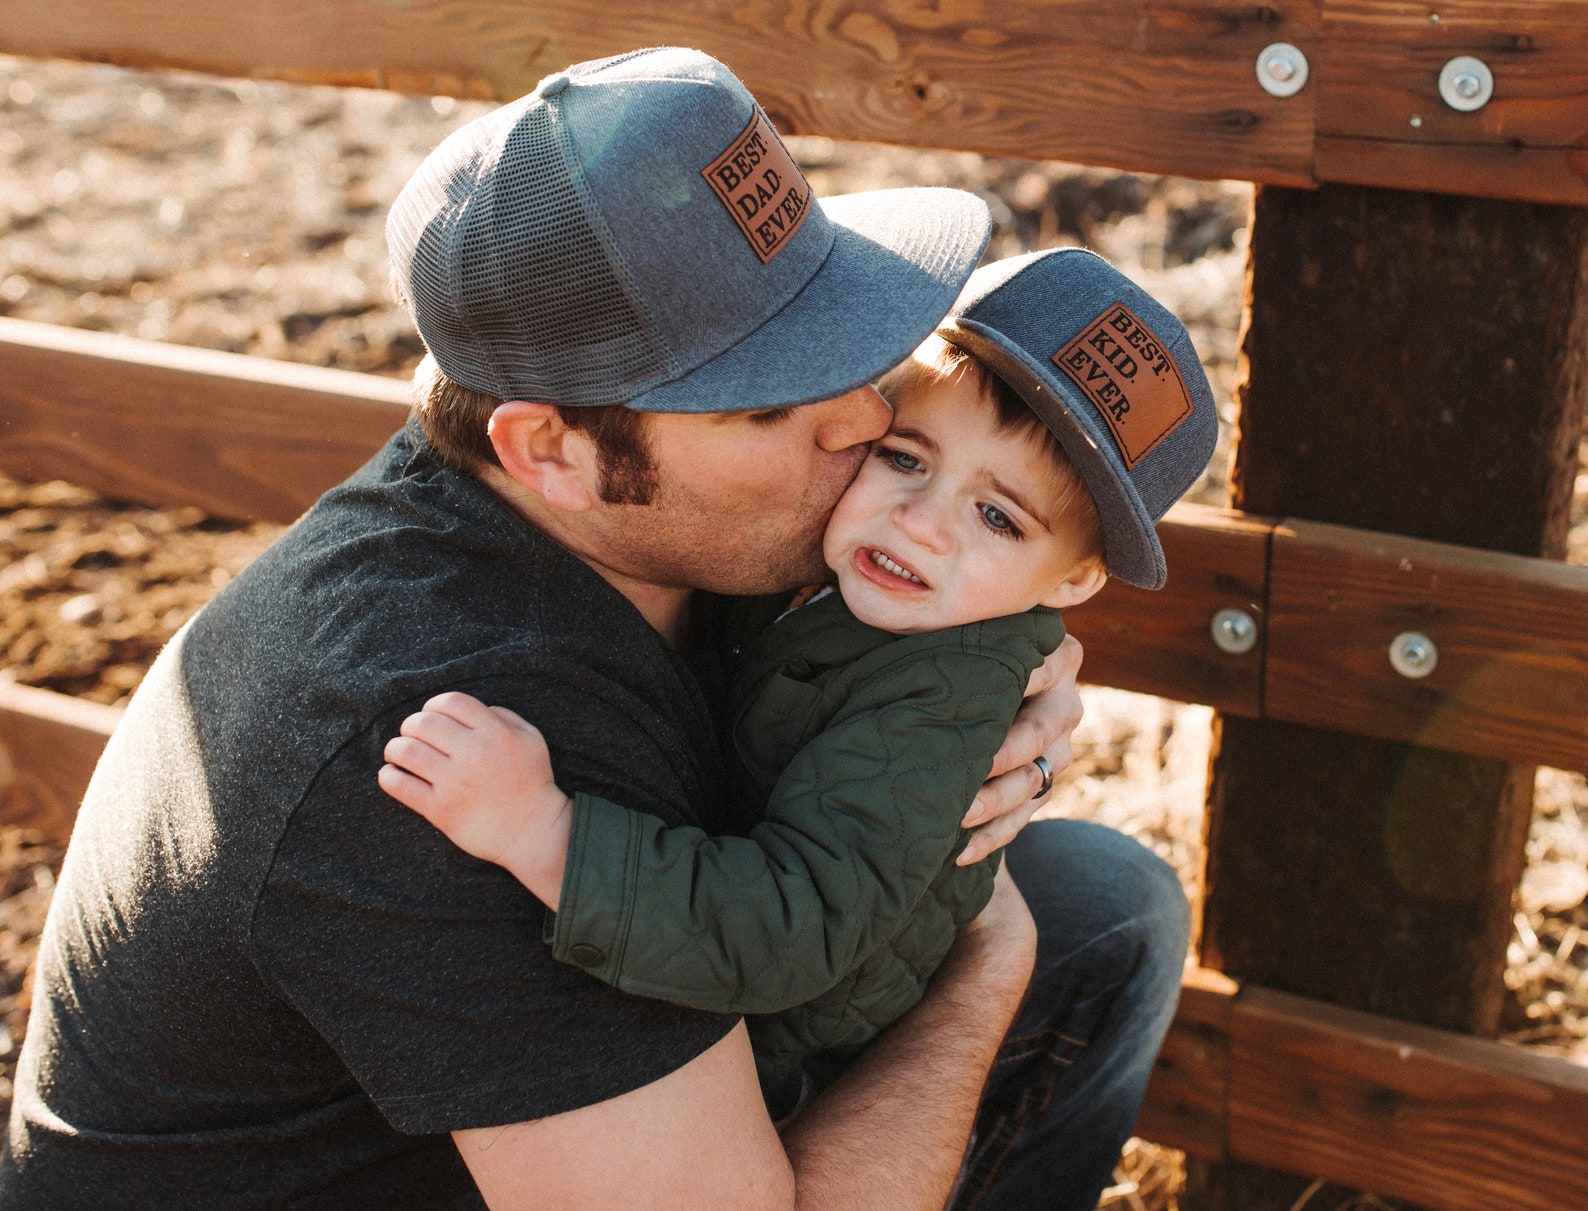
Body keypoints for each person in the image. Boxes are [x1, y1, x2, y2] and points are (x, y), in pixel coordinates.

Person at [3, 48, 1186, 1211]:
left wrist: (986, 678)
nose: (866, 417)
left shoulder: (645, 518)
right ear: (550, 447)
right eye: (774, 396)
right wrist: (983, 955)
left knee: (1109, 905)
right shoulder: (449, 736)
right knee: (1054, 927)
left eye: (845, 334)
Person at [379, 246, 1216, 1124]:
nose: (921, 524)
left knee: (1117, 898)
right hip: (711, 971)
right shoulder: (833, 572)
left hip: (795, 1070)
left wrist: (544, 833)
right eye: (905, 457)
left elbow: (791, 924)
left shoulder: (939, 698)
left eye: (999, 516)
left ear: (1073, 580)